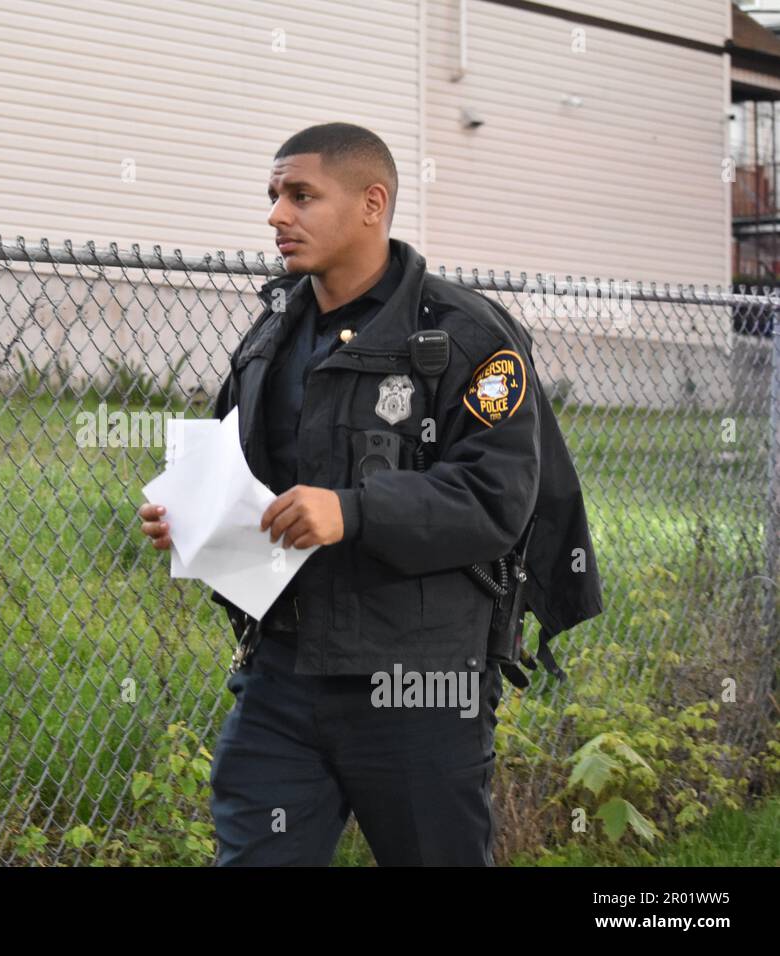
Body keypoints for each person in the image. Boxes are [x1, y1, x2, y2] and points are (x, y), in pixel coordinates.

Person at [137, 122, 601, 866]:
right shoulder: (272, 333)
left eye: (300, 195)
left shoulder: (464, 338)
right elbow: (239, 466)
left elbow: (496, 498)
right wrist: (188, 514)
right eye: (272, 196)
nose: (276, 216)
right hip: (282, 678)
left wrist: (352, 512)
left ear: (371, 203)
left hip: (418, 684)